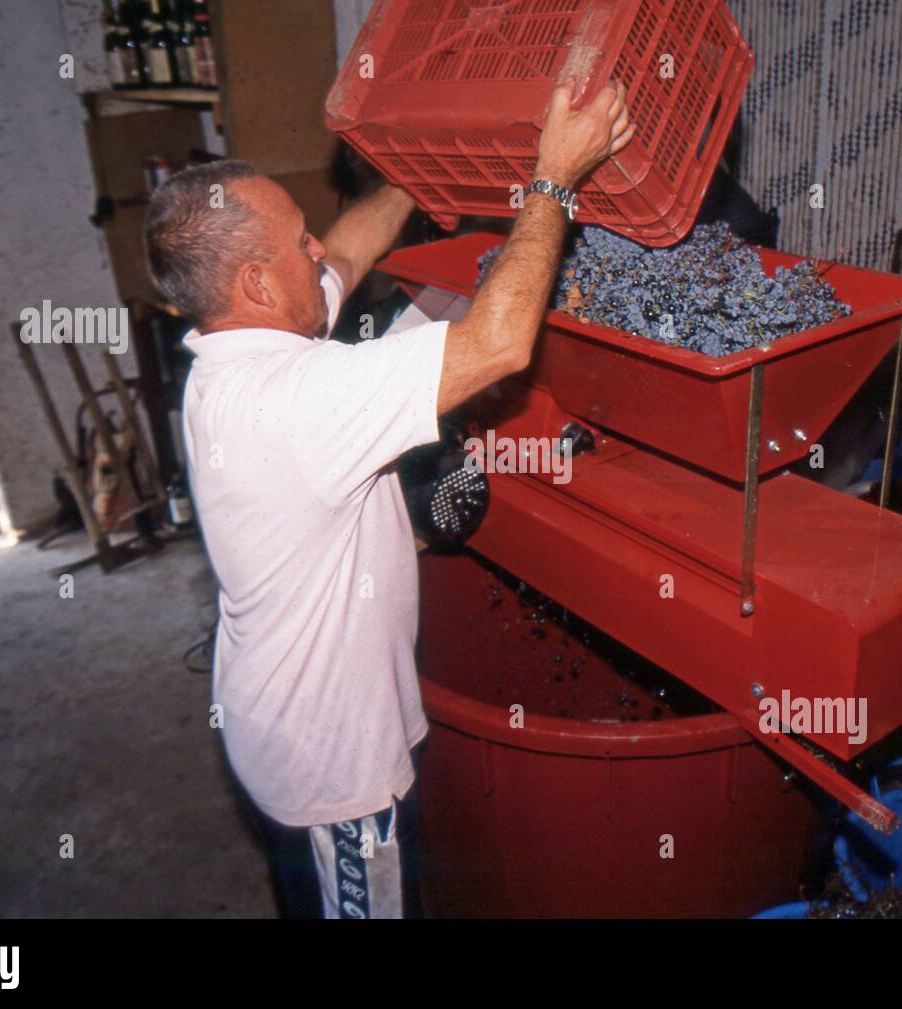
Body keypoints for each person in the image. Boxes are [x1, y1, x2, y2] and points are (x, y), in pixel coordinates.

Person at [143, 80, 635, 918]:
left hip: (279, 719)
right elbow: (500, 342)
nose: (318, 252)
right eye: (298, 243)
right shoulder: (297, 396)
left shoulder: (233, 345)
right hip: (333, 770)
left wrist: (412, 179)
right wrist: (555, 178)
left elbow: (345, 257)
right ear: (259, 282)